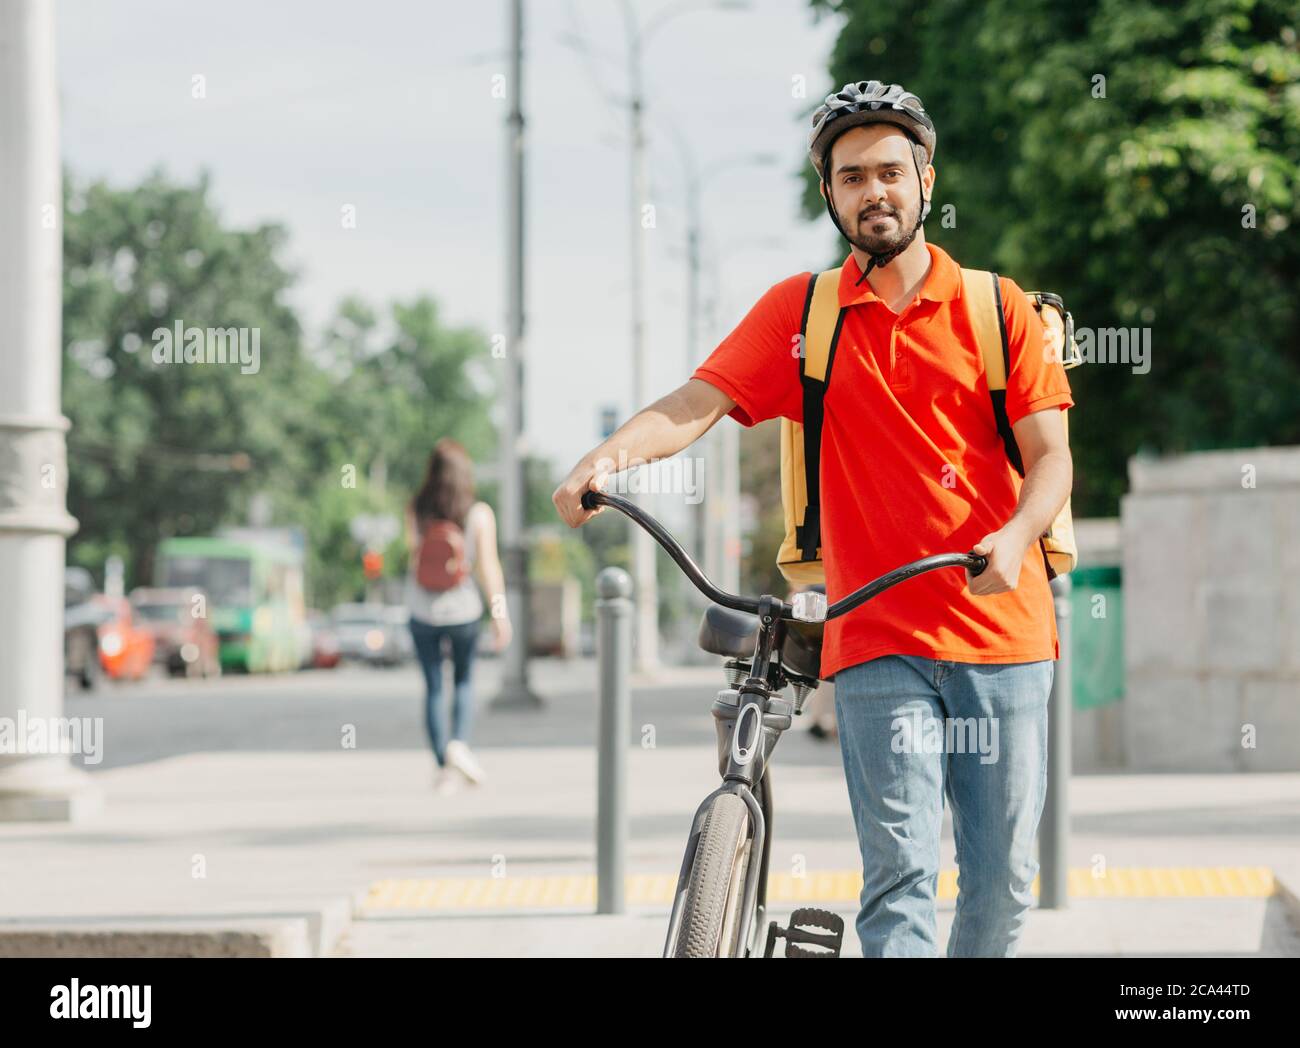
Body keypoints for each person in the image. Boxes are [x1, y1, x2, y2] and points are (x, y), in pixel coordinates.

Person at [553, 80, 1073, 957]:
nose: (875, 191)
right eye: (852, 176)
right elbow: (697, 400)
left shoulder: (996, 309)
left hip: (1004, 639)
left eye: (891, 173)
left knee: (1002, 882)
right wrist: (607, 458)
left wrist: (1017, 537)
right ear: (829, 196)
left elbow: (1052, 458)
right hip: (876, 642)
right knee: (901, 877)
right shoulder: (803, 315)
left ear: (926, 181)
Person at [406, 438, 511, 794]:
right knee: (464, 681)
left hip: (422, 608)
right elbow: (489, 568)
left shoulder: (416, 510)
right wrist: (500, 614)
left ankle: (442, 764)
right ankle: (459, 745)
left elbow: (412, 557)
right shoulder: (478, 513)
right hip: (464, 609)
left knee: (434, 685)